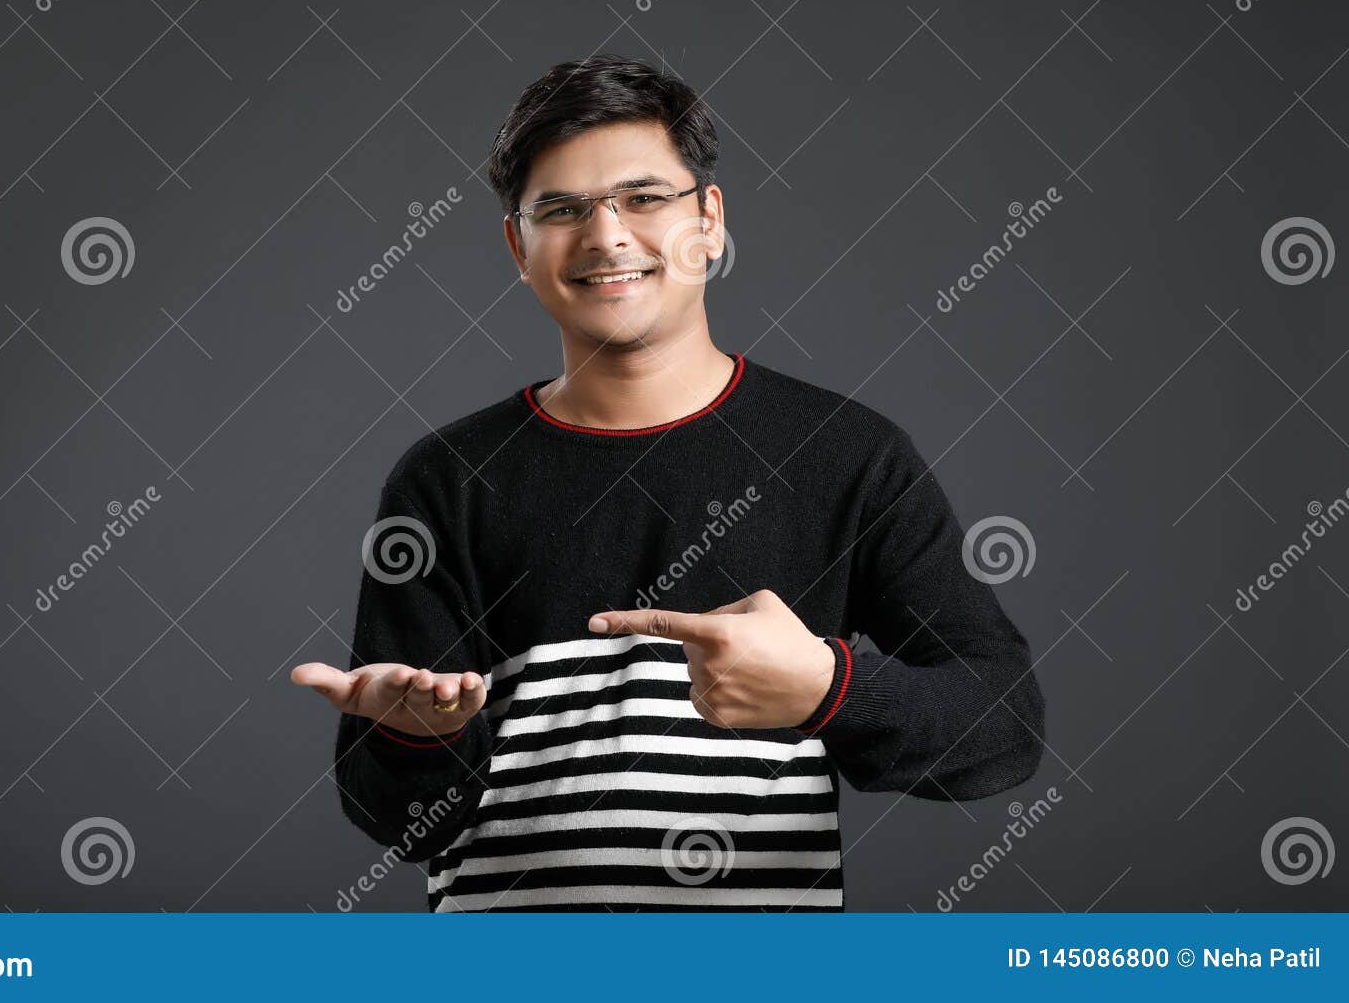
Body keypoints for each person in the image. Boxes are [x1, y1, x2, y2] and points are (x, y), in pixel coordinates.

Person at [291, 54, 1046, 911]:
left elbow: (1004, 726)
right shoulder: (444, 482)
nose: (607, 236)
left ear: (710, 220)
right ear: (518, 247)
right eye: (562, 210)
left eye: (644, 197)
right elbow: (400, 824)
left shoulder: (848, 455)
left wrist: (827, 690)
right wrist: (417, 738)